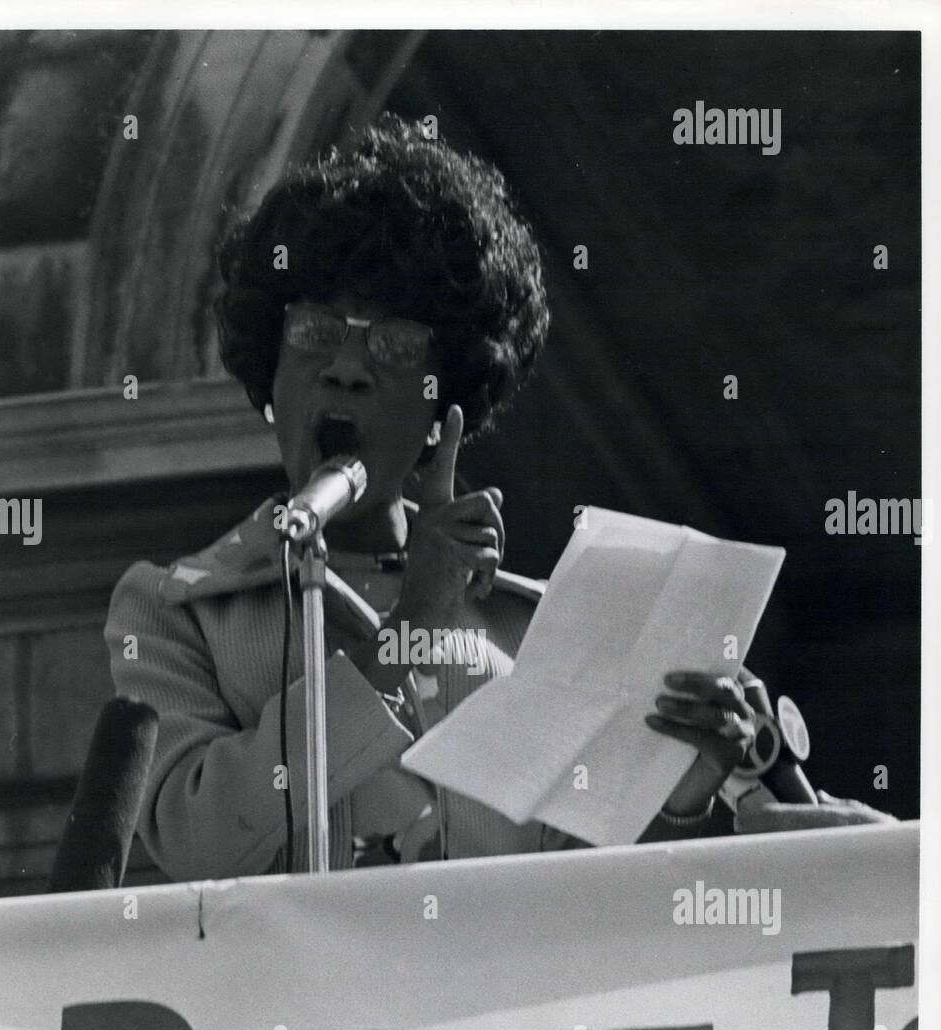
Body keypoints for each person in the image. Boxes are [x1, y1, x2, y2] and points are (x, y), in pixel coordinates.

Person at [104, 115, 888, 881]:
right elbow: (195, 839)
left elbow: (587, 924)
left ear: (443, 403)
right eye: (313, 333)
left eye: (395, 344)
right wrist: (406, 636)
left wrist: (681, 785)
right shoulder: (175, 612)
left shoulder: (538, 633)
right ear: (268, 375)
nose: (347, 368)